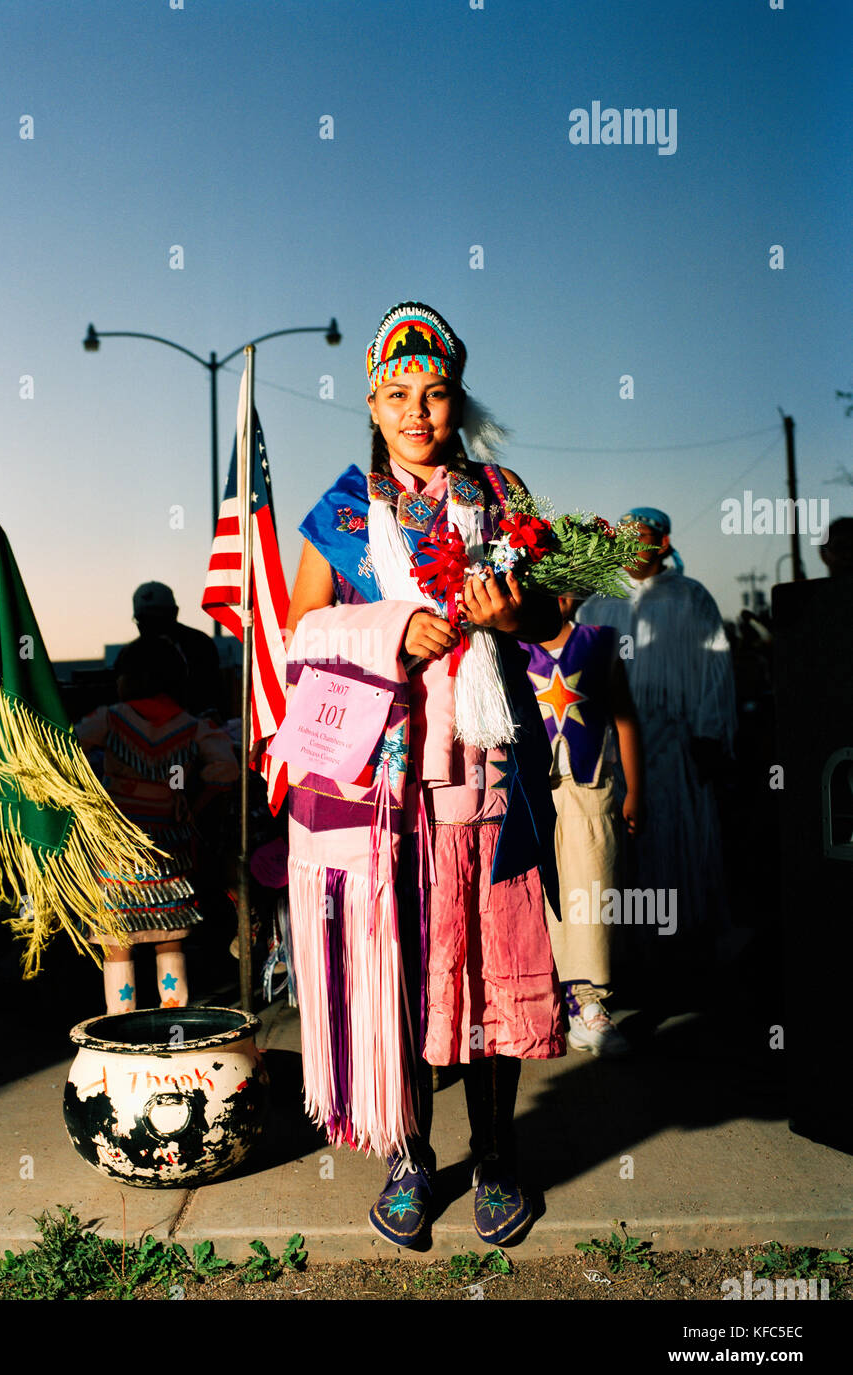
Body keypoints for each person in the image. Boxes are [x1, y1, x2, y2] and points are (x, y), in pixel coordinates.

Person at [283, 303, 565, 1248]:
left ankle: (494, 1158)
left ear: (457, 399)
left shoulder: (503, 492)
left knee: (490, 962)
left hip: (485, 771)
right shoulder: (342, 508)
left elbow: (553, 615)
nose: (418, 412)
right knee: (394, 966)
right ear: (372, 400)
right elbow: (301, 630)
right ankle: (410, 1158)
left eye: (435, 393)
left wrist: (513, 614)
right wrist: (391, 628)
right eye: (398, 395)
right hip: (386, 786)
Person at [578, 508, 736, 1008]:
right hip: (613, 748)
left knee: (676, 845)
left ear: (664, 544)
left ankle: (682, 959)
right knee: (620, 852)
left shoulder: (691, 598)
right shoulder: (599, 601)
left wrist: (711, 735)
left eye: (642, 537)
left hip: (675, 747)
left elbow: (717, 668)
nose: (633, 546)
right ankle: (623, 959)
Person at [75, 637, 239, 1013]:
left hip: (118, 841)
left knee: (117, 935)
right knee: (169, 932)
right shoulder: (191, 726)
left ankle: (121, 1019)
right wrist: (185, 798)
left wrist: (95, 794)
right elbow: (220, 771)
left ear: (128, 679)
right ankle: (174, 1013)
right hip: (168, 840)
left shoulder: (111, 719)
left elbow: (71, 747)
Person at [520, 594, 643, 1057]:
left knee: (595, 892)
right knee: (542, 900)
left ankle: (590, 1004)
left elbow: (625, 716)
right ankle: (545, 1000)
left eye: (569, 584)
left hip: (593, 787)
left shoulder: (600, 642)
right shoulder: (509, 646)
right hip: (535, 793)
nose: (559, 596)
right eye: (548, 583)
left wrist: (636, 790)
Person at [116, 581, 225, 720]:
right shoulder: (129, 654)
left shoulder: (198, 645)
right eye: (143, 620)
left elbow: (212, 697)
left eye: (156, 618)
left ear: (174, 613)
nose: (149, 626)